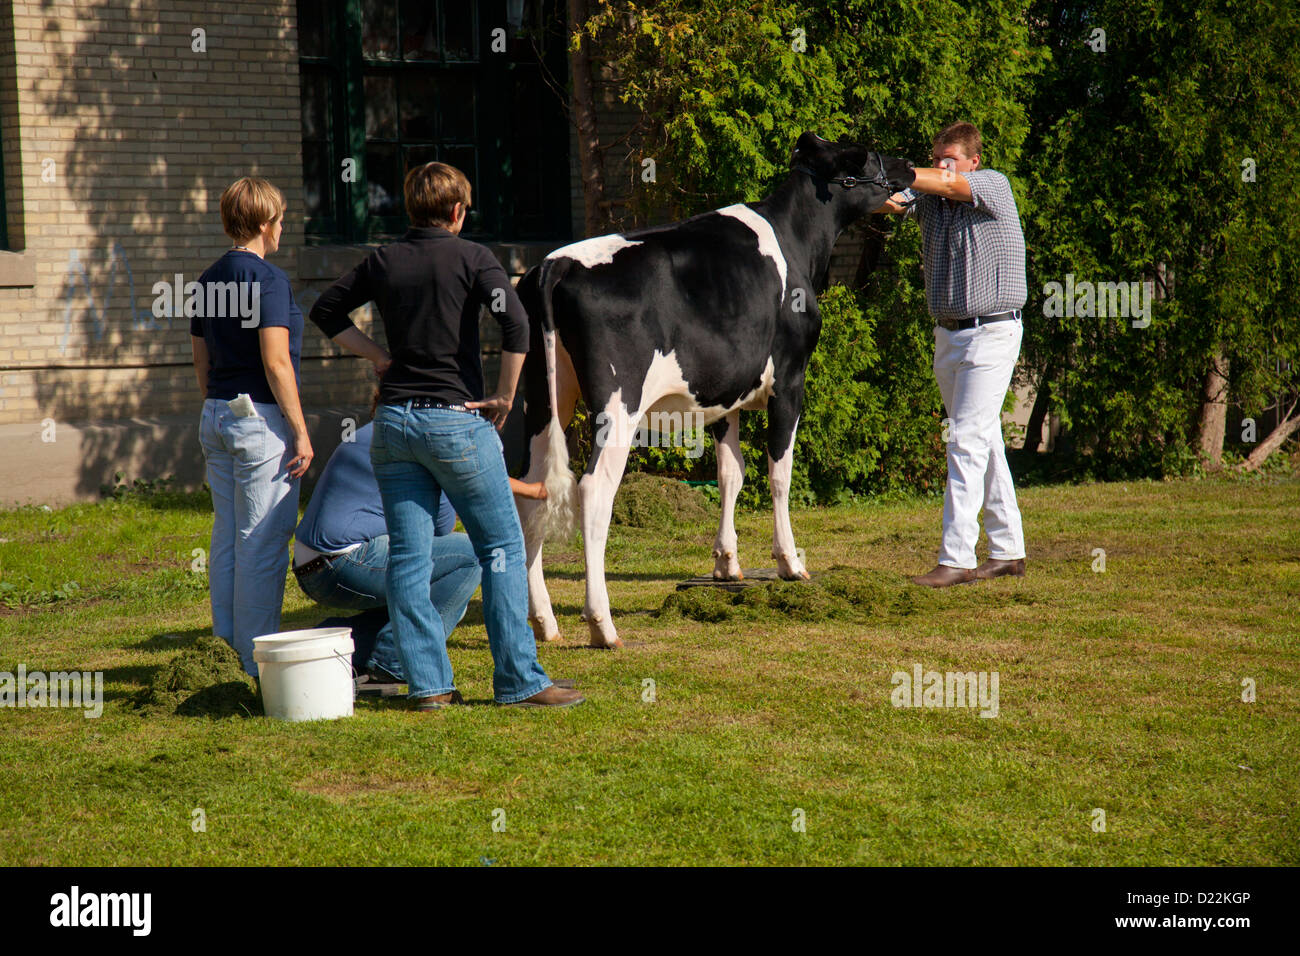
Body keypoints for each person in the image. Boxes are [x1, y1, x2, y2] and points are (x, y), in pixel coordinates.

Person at [309, 162, 582, 709]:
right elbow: (517, 324)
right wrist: (506, 396)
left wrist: (378, 356)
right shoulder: (474, 258)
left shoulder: (383, 260)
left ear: (410, 209)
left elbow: (325, 309)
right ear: (458, 211)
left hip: (392, 425)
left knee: (411, 558)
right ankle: (519, 681)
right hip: (454, 421)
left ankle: (430, 687)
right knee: (501, 547)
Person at [191, 177, 391, 676]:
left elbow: (201, 358)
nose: (283, 229)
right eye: (280, 220)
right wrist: (301, 432)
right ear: (264, 224)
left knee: (227, 538)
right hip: (260, 419)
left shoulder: (206, 279)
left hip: (216, 413)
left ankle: (225, 650)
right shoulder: (270, 281)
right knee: (260, 542)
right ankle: (255, 662)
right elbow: (277, 361)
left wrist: (216, 409)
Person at [875, 122, 1028, 587]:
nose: (942, 165)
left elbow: (934, 182)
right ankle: (1007, 551)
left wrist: (896, 170)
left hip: (993, 332)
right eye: (937, 156)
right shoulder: (931, 202)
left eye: (950, 159)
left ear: (972, 162)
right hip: (949, 335)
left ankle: (957, 558)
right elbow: (891, 201)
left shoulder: (992, 184)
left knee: (964, 438)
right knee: (983, 442)